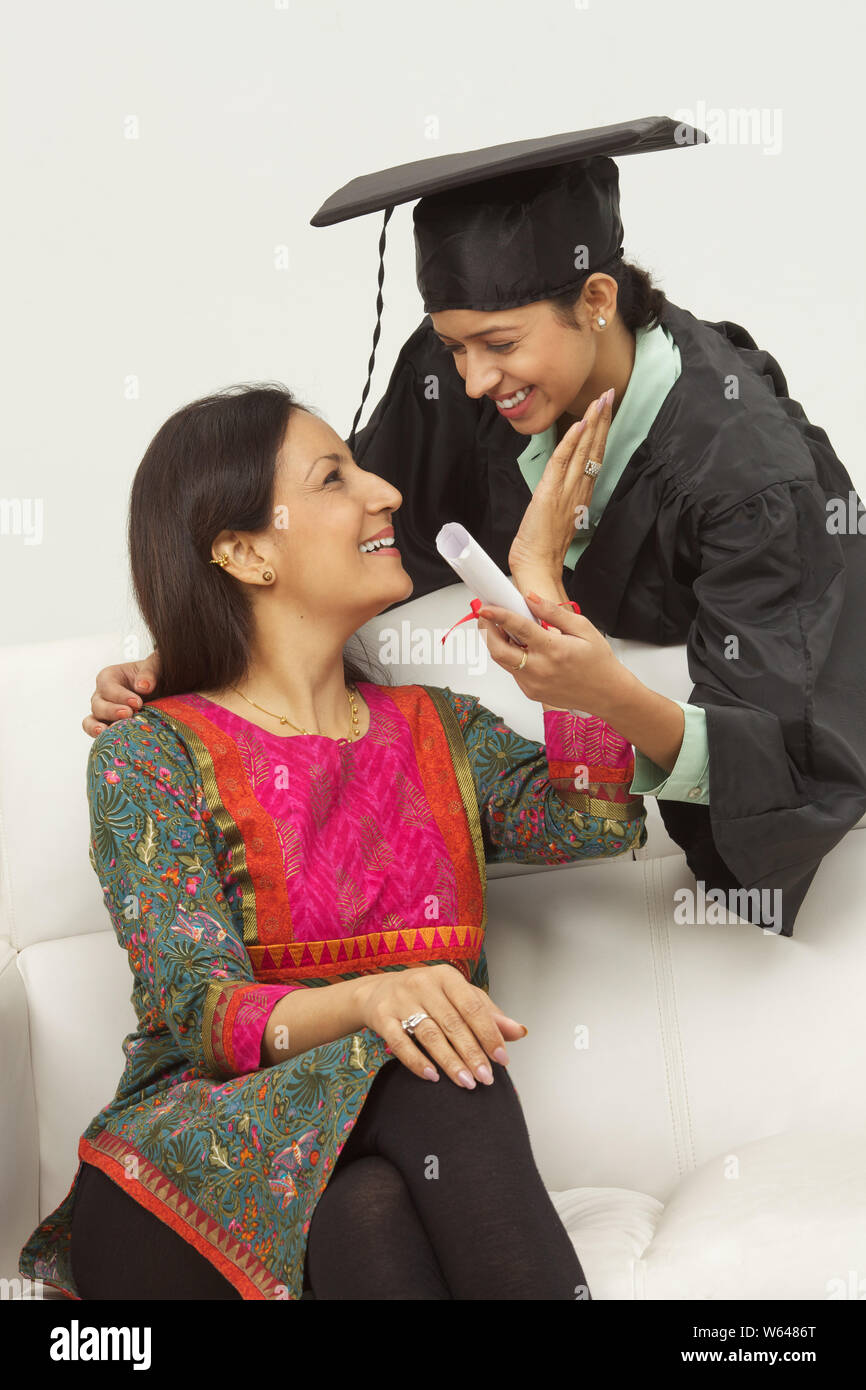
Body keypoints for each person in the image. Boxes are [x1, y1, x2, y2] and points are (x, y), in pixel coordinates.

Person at [85, 117, 866, 938]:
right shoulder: (460, 371)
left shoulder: (755, 483)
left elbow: (792, 764)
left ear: (597, 301)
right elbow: (345, 533)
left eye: (498, 344)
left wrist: (605, 693)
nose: (473, 380)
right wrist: (196, 652)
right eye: (455, 345)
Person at [20, 381, 652, 1301]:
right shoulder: (151, 751)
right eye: (333, 478)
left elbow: (595, 816)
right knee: (424, 1050)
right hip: (187, 1188)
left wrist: (544, 591)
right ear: (243, 552)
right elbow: (200, 1014)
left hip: (359, 1188)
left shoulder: (440, 733)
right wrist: (374, 1001)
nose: (386, 491)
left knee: (372, 1210)